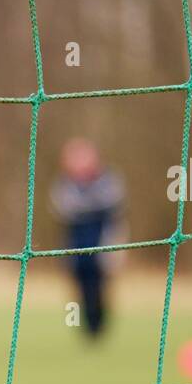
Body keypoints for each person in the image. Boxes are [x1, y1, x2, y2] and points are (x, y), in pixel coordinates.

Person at [50, 138, 125, 338]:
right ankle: (83, 328)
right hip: (76, 244)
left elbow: (113, 204)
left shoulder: (108, 179)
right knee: (78, 286)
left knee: (100, 286)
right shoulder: (65, 183)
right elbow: (63, 208)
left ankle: (100, 328)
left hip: (102, 242)